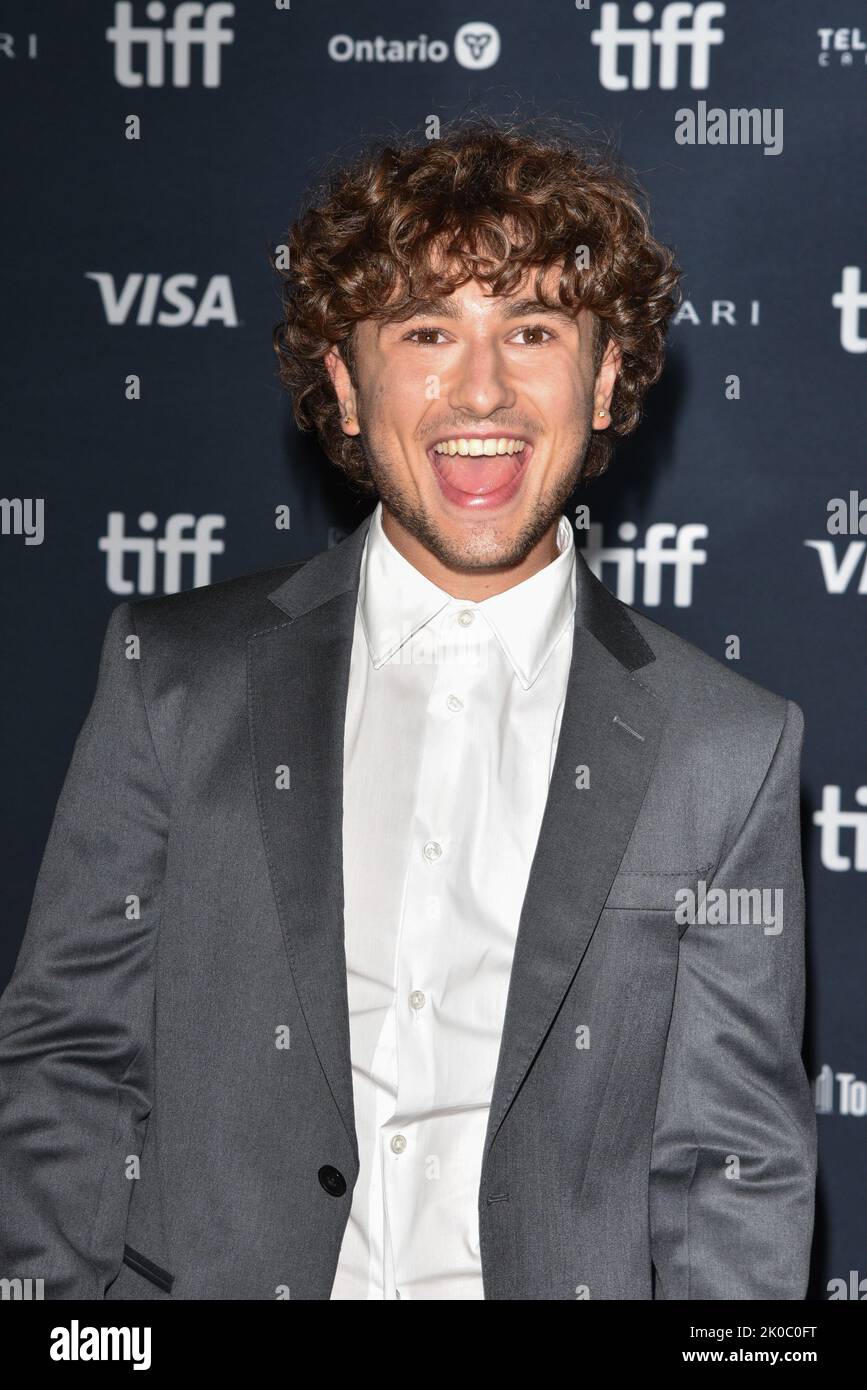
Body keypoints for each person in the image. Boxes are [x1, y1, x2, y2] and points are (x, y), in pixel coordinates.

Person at [0, 118, 816, 1300]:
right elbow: (65, 1066)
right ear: (343, 378)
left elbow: (732, 1177)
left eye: (532, 330)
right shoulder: (172, 678)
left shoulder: (726, 747)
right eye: (426, 331)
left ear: (603, 378)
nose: (480, 387)